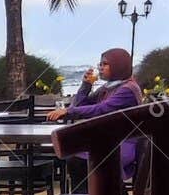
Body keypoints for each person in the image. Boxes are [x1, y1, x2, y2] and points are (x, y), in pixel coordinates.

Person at [46, 46, 144, 178]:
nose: (100, 67)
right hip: (107, 142)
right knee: (74, 158)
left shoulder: (128, 89)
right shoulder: (108, 87)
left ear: (118, 65)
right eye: (100, 64)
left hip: (122, 146)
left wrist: (69, 111)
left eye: (105, 64)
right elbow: (80, 104)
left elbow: (101, 109)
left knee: (78, 161)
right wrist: (86, 85)